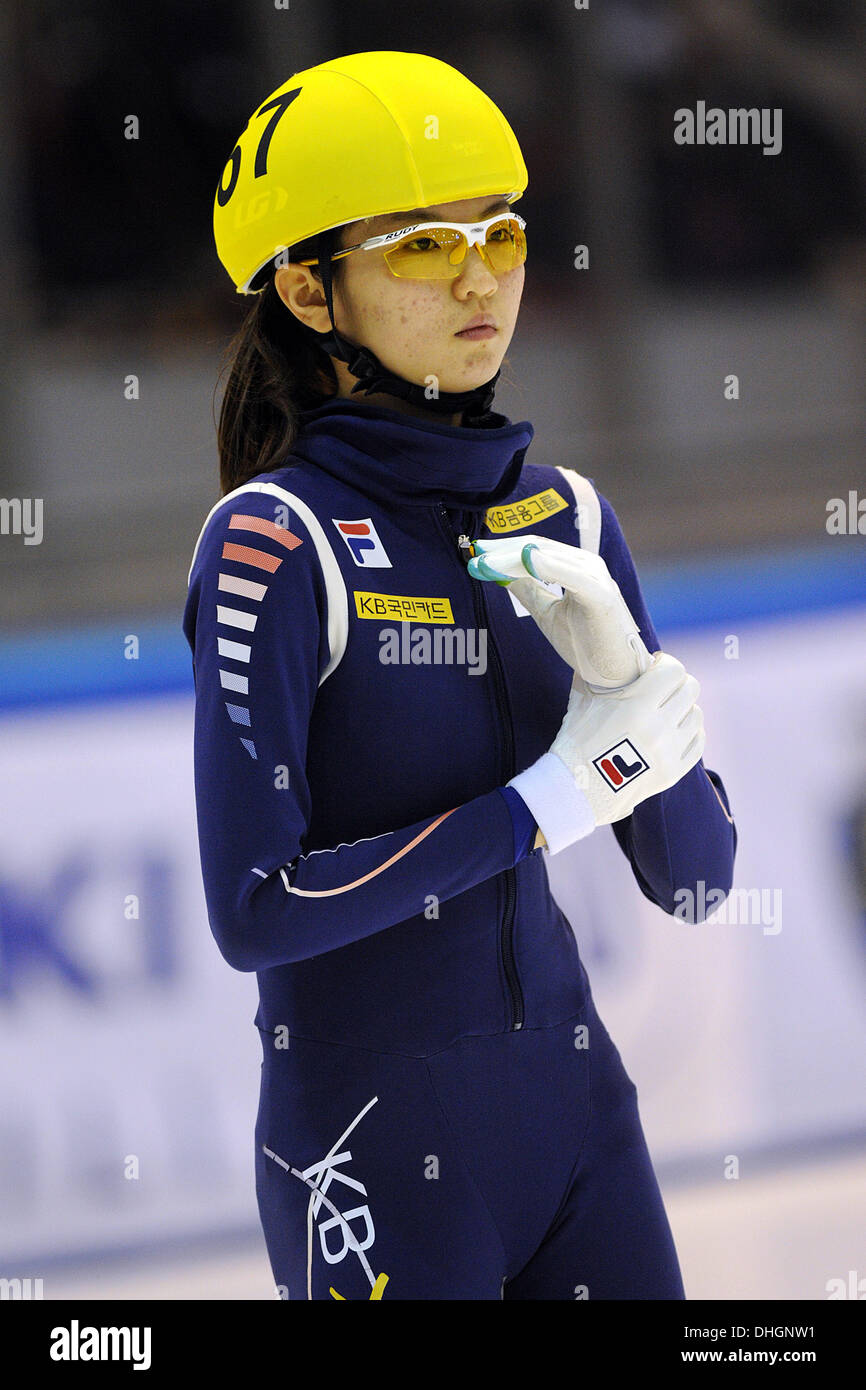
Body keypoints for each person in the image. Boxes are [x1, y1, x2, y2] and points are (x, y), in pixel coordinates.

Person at [182, 50, 737, 1301]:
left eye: (500, 232)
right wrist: (544, 803)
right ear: (309, 292)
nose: (480, 273)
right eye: (422, 247)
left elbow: (698, 890)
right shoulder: (277, 542)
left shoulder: (571, 517)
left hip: (580, 1127)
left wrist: (623, 676)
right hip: (365, 1155)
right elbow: (253, 908)